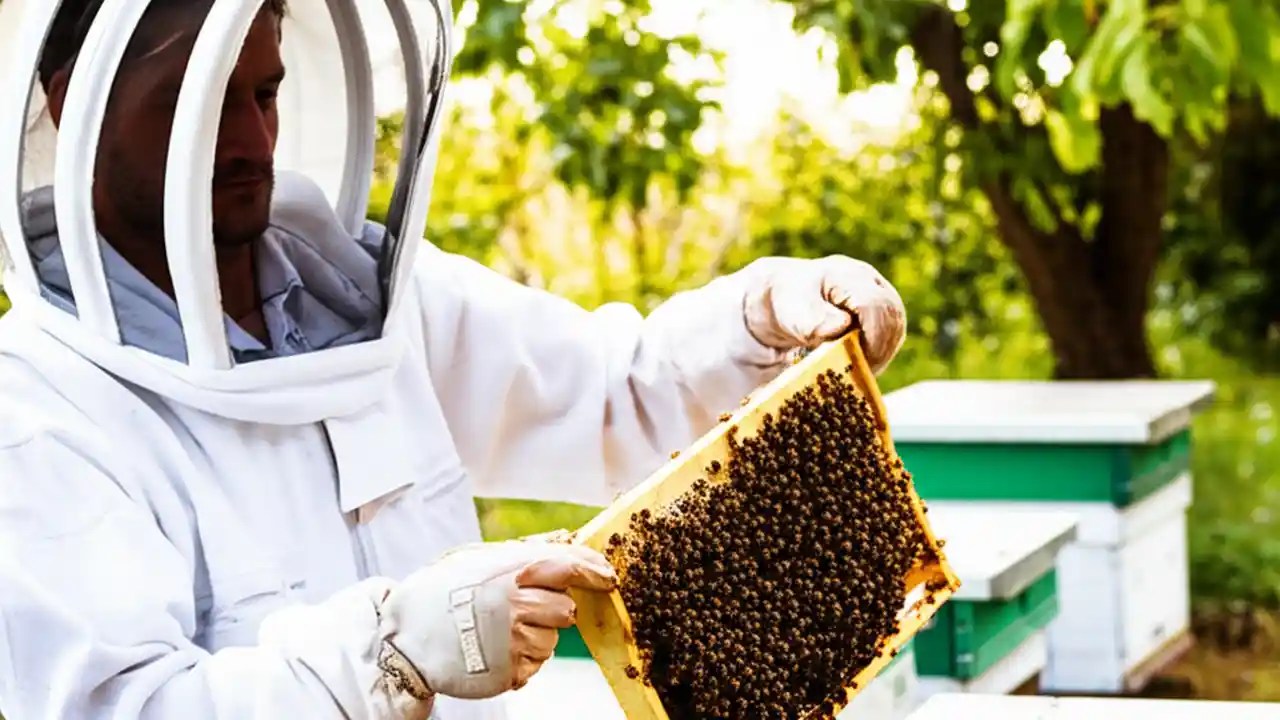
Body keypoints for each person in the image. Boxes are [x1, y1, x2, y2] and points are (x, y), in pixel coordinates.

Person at [0, 0, 907, 717]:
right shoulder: (42, 413)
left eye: (264, 95)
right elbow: (124, 709)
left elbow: (615, 394)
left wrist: (761, 316)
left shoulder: (366, 301)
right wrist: (388, 651)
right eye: (194, 107)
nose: (247, 145)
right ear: (69, 102)